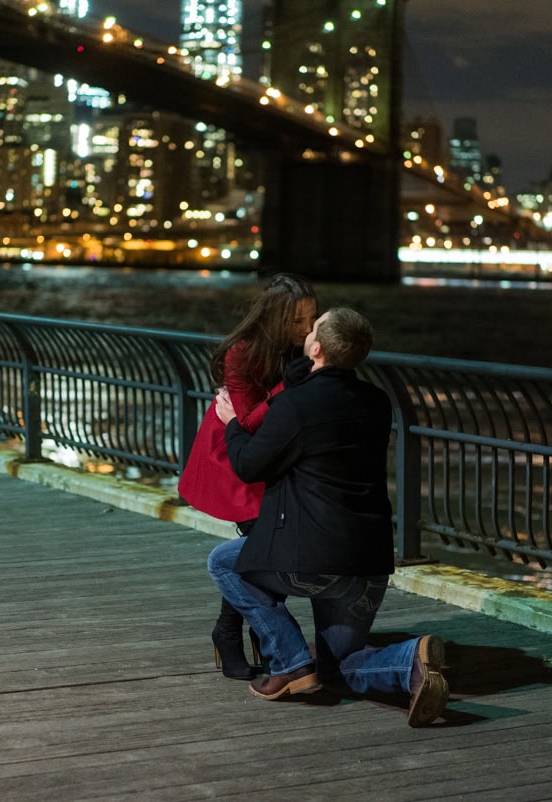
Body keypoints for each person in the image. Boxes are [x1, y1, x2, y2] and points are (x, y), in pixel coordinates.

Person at [205, 307, 450, 727]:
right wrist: (310, 369)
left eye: (313, 328)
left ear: (316, 348)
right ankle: (410, 660)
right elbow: (323, 395)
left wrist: (232, 425)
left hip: (313, 557)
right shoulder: (376, 402)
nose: (307, 328)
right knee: (340, 669)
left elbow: (248, 465)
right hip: (368, 562)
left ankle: (290, 662)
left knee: (224, 562)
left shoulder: (295, 406)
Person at [178, 273, 317, 680]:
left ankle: (244, 633)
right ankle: (232, 632)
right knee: (264, 544)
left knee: (265, 548)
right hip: (237, 453)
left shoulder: (304, 350)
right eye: (297, 320)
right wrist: (288, 388)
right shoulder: (242, 353)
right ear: (275, 319)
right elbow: (247, 421)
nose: (307, 328)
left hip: (274, 453)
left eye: (312, 318)